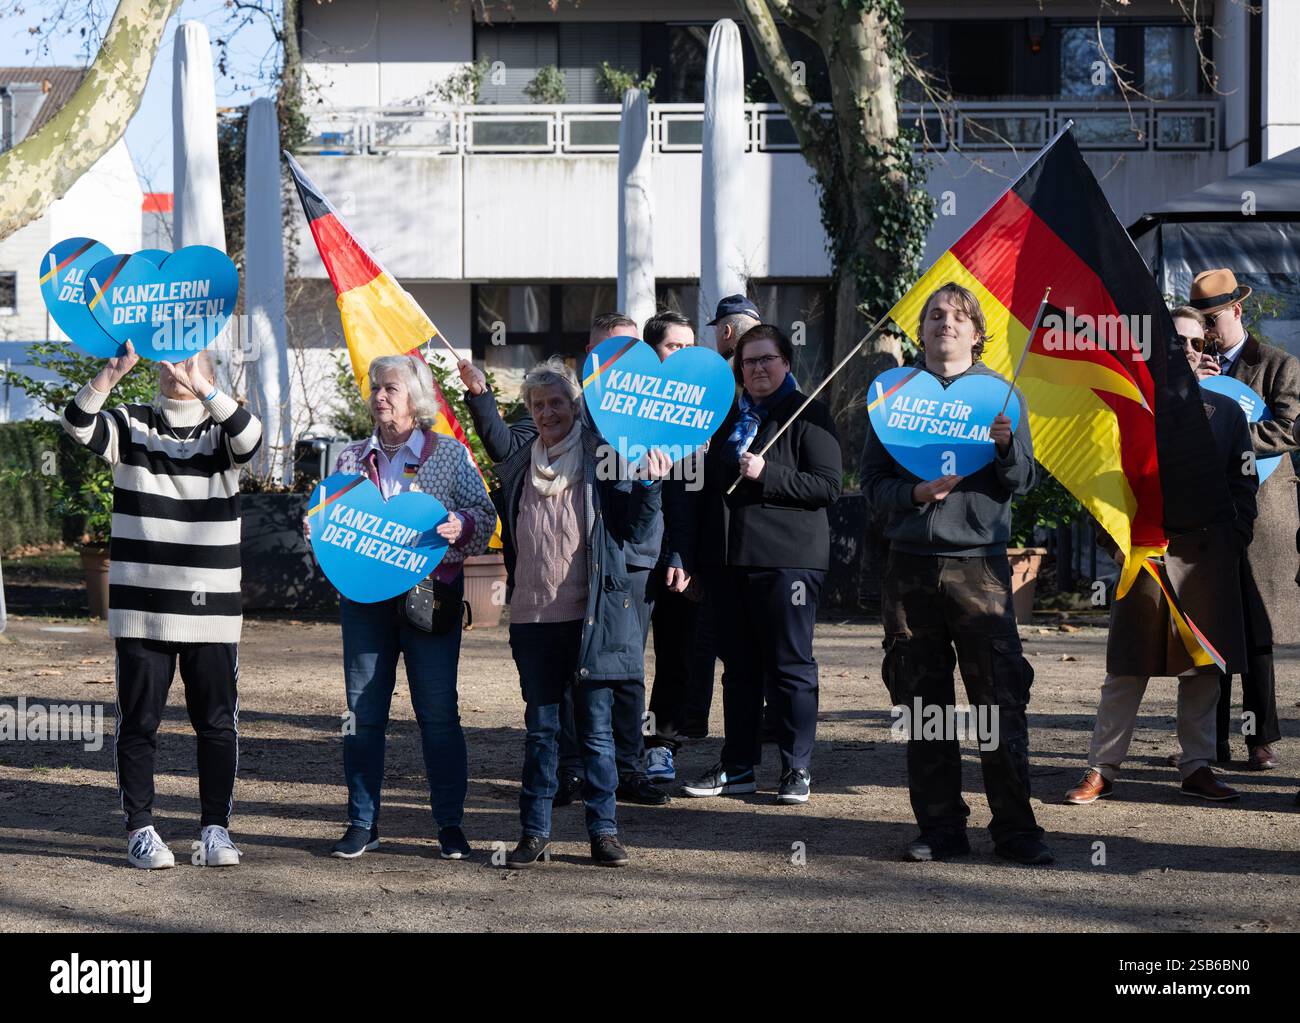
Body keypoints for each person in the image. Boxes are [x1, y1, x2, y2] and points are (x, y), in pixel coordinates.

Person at [860, 282, 1051, 865]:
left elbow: (1024, 482)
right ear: (920, 331)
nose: (946, 322)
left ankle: (1016, 830)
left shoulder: (1000, 396)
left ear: (976, 333)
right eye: (935, 315)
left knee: (998, 702)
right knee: (923, 706)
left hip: (981, 569)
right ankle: (941, 829)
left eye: (958, 316)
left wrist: (1006, 447)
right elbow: (871, 487)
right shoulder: (893, 395)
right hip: (910, 569)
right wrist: (913, 492)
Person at [456, 313, 673, 807]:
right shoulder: (549, 425)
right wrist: (480, 395)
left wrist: (667, 532)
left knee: (622, 675)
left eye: (624, 350)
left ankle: (629, 770)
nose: (549, 411)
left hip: (627, 564)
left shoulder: (646, 414)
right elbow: (503, 445)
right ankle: (573, 773)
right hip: (548, 597)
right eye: (603, 352)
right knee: (572, 691)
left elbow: (655, 502)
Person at [61, 343, 262, 870]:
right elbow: (78, 424)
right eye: (174, 361)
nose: (181, 369)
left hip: (212, 608)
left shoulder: (222, 431)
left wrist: (203, 388)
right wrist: (112, 371)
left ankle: (215, 829)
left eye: (195, 360)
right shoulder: (132, 423)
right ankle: (140, 829)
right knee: (140, 722)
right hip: (142, 606)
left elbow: (251, 438)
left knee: (217, 723)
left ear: (210, 373)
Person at [304, 354, 496, 860]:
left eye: (390, 388)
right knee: (362, 714)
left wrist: (464, 525)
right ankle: (362, 823)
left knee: (438, 714)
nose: (380, 397)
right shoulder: (348, 460)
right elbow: (327, 519)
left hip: (430, 600)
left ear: (417, 399)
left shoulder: (450, 455)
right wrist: (316, 530)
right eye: (375, 389)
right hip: (364, 603)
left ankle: (450, 826)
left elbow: (486, 515)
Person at [1064, 307, 1257, 806]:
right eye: (1177, 343)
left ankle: (1196, 766)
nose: (1188, 352)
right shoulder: (1127, 412)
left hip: (1206, 558)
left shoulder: (1229, 414)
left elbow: (1244, 489)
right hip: (1145, 555)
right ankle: (1101, 769)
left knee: (1203, 672)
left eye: (1197, 344)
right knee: (1127, 669)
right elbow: (1098, 490)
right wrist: (1121, 545)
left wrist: (1230, 543)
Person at [487, 358, 669, 867]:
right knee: (542, 732)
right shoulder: (520, 465)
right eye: (539, 405)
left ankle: (604, 833)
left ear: (576, 406)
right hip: (532, 618)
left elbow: (634, 529)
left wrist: (652, 485)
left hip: (591, 618)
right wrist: (478, 396)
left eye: (557, 403)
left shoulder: (603, 458)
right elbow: (491, 438)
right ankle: (534, 831)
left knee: (595, 733)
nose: (548, 413)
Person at [683, 324, 842, 805]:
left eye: (767, 359)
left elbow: (827, 486)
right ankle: (738, 766)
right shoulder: (726, 420)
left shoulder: (810, 416)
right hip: (731, 563)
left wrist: (768, 473)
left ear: (786, 363)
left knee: (791, 666)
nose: (757, 369)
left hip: (789, 563)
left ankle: (796, 768)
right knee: (739, 670)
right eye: (748, 362)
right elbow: (709, 495)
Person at [1189, 269, 1300, 771]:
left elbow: (1286, 431)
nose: (1208, 332)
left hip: (1263, 513)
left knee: (1257, 632)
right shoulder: (1195, 370)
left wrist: (1231, 425)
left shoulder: (1278, 364)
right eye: (1201, 321)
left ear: (1237, 310)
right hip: (1211, 514)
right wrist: (1201, 394)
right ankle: (1210, 745)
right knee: (1210, 630)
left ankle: (1259, 739)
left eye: (1213, 319)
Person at [708, 294, 761, 359]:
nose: (715, 334)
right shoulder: (771, 363)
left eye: (717, 328)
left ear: (726, 332)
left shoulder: (720, 368)